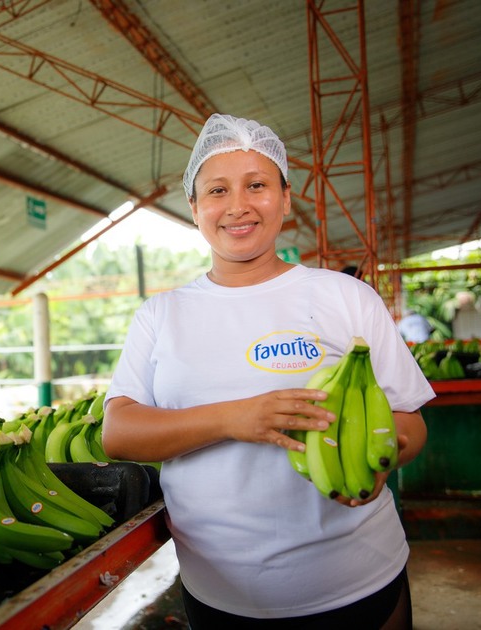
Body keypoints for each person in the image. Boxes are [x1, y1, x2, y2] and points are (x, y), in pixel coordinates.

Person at [102, 113, 434, 629]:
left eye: (256, 185)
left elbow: (409, 424)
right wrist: (236, 419)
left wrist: (379, 464)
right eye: (217, 190)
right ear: (194, 208)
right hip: (222, 591)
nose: (238, 205)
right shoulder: (162, 314)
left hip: (360, 574)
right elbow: (118, 433)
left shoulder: (344, 297)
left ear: (283, 196)